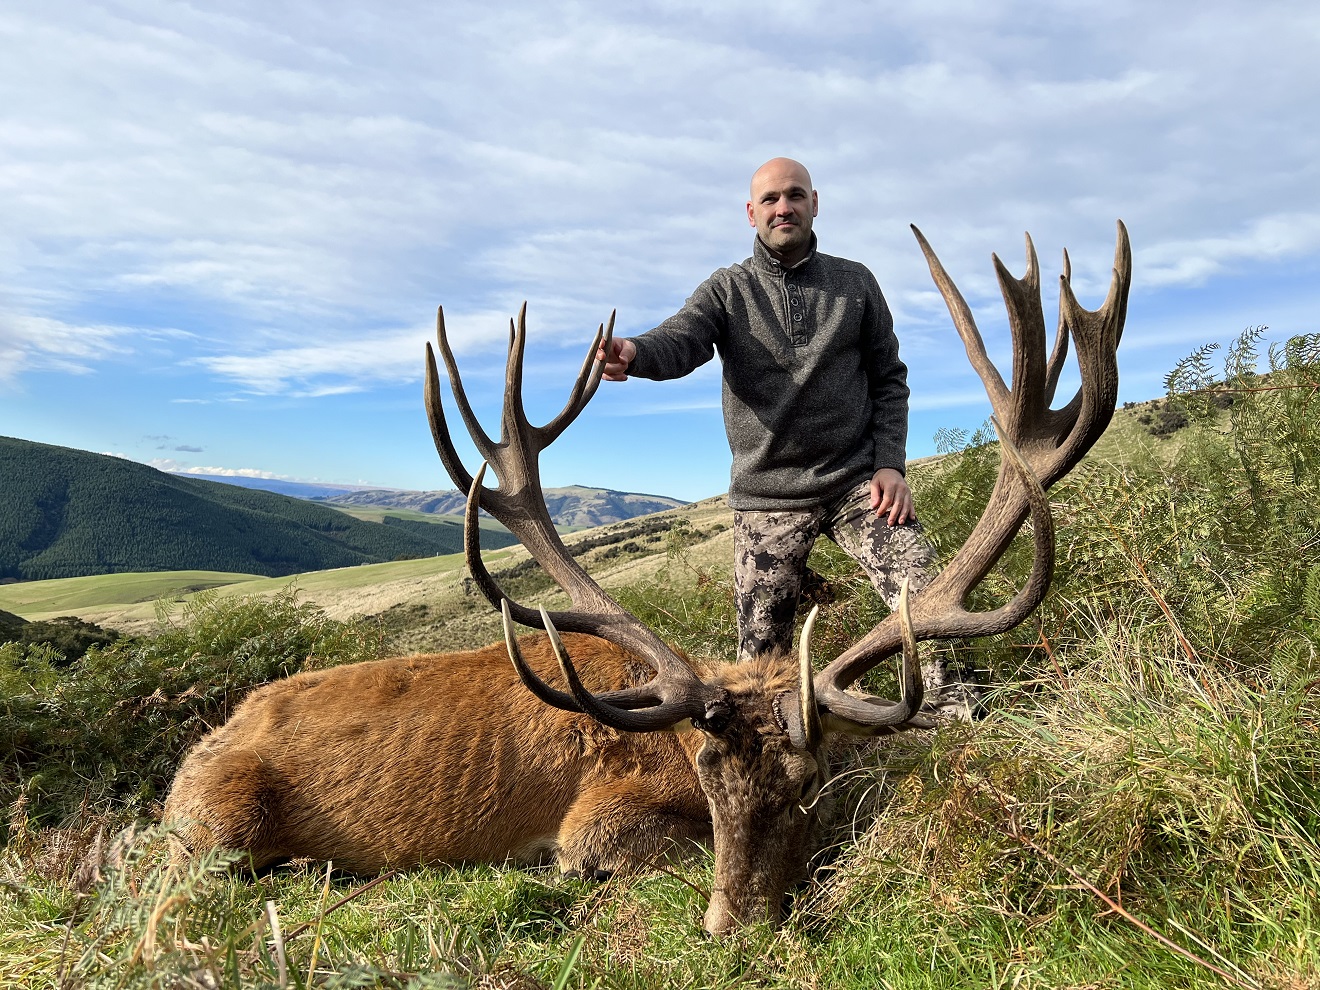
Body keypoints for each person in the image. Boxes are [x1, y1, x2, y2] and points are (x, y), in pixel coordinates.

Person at [598, 158, 962, 709]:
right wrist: (637, 353)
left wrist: (890, 461)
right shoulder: (727, 290)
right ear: (751, 213)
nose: (782, 207)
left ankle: (956, 722)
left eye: (794, 195)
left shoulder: (855, 283)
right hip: (769, 497)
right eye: (769, 199)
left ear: (815, 202)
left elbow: (889, 378)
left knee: (927, 597)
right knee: (758, 675)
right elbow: (683, 338)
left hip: (857, 484)